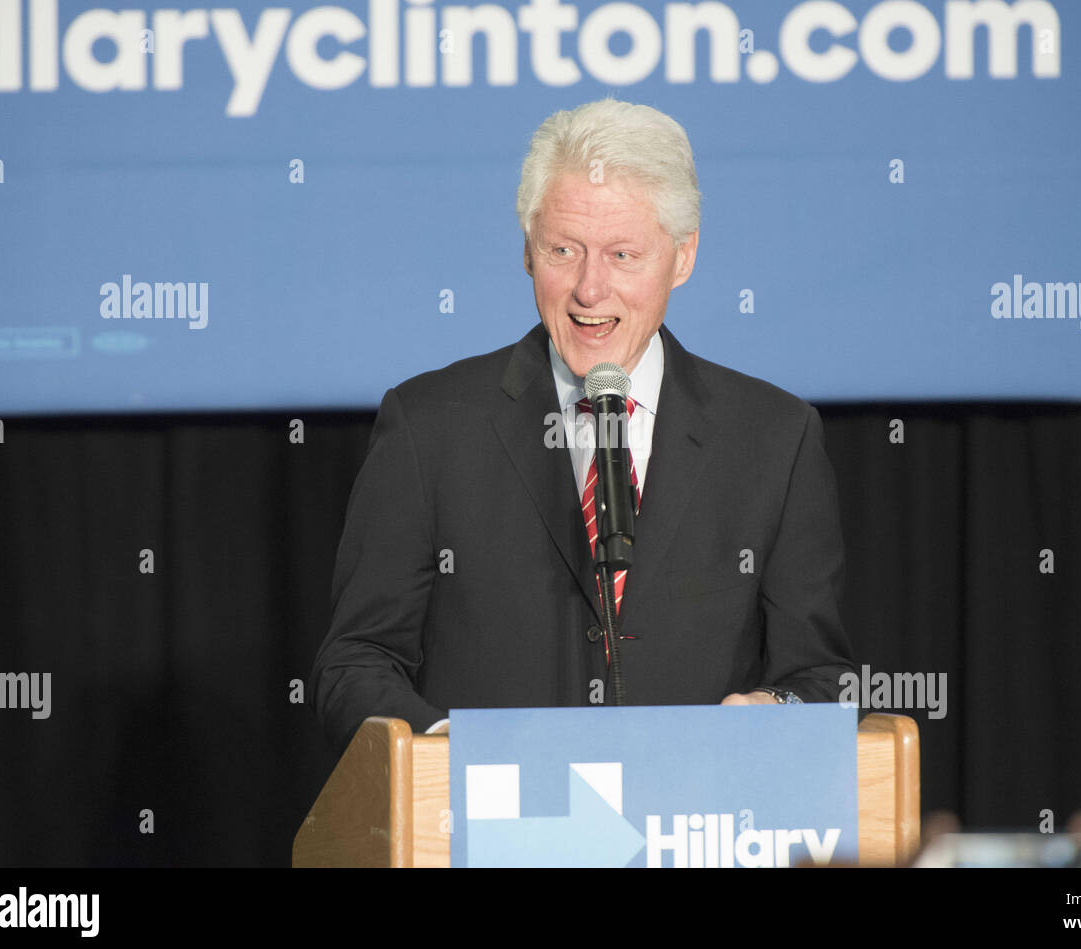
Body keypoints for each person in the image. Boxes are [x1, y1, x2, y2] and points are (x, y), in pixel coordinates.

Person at [309, 98, 855, 756]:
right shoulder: (430, 427)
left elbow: (822, 678)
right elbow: (354, 665)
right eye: (562, 250)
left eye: (623, 254)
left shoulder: (774, 438)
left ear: (682, 258)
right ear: (527, 250)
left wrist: (774, 709)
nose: (589, 290)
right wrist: (453, 757)